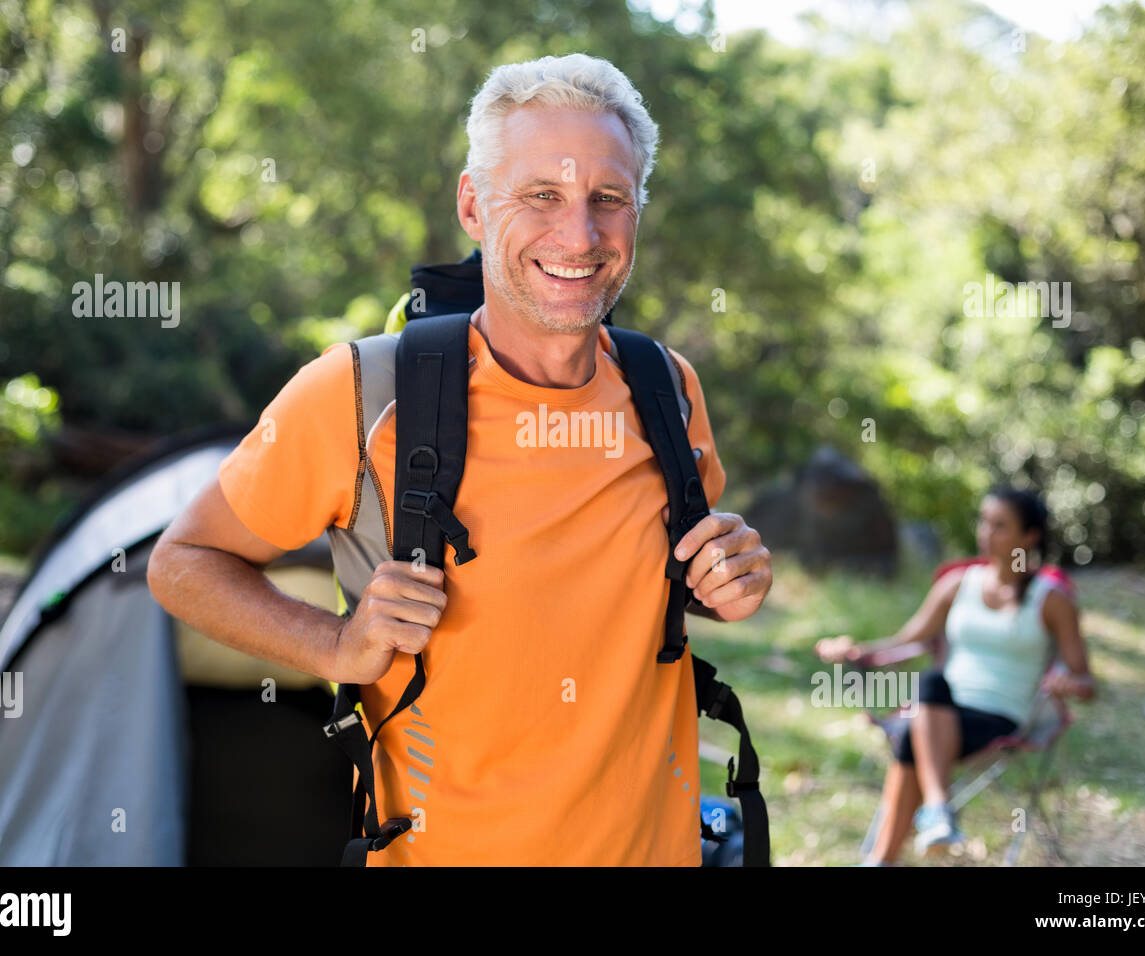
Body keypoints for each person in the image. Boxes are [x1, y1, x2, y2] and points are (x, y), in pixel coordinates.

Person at [146, 54, 773, 866]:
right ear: (475, 207)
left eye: (607, 199)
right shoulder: (361, 392)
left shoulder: (667, 388)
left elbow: (679, 586)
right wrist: (338, 646)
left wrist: (732, 581)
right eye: (541, 195)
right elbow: (182, 563)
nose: (578, 235)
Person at [815, 487, 1094, 865]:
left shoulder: (1051, 599)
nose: (985, 534)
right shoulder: (958, 584)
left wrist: (1067, 682)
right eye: (984, 522)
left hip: (1003, 720)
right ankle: (933, 815)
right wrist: (853, 651)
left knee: (921, 708)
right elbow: (901, 643)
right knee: (929, 696)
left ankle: (897, 845)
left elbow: (1085, 683)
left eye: (1000, 526)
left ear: (1029, 537)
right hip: (939, 711)